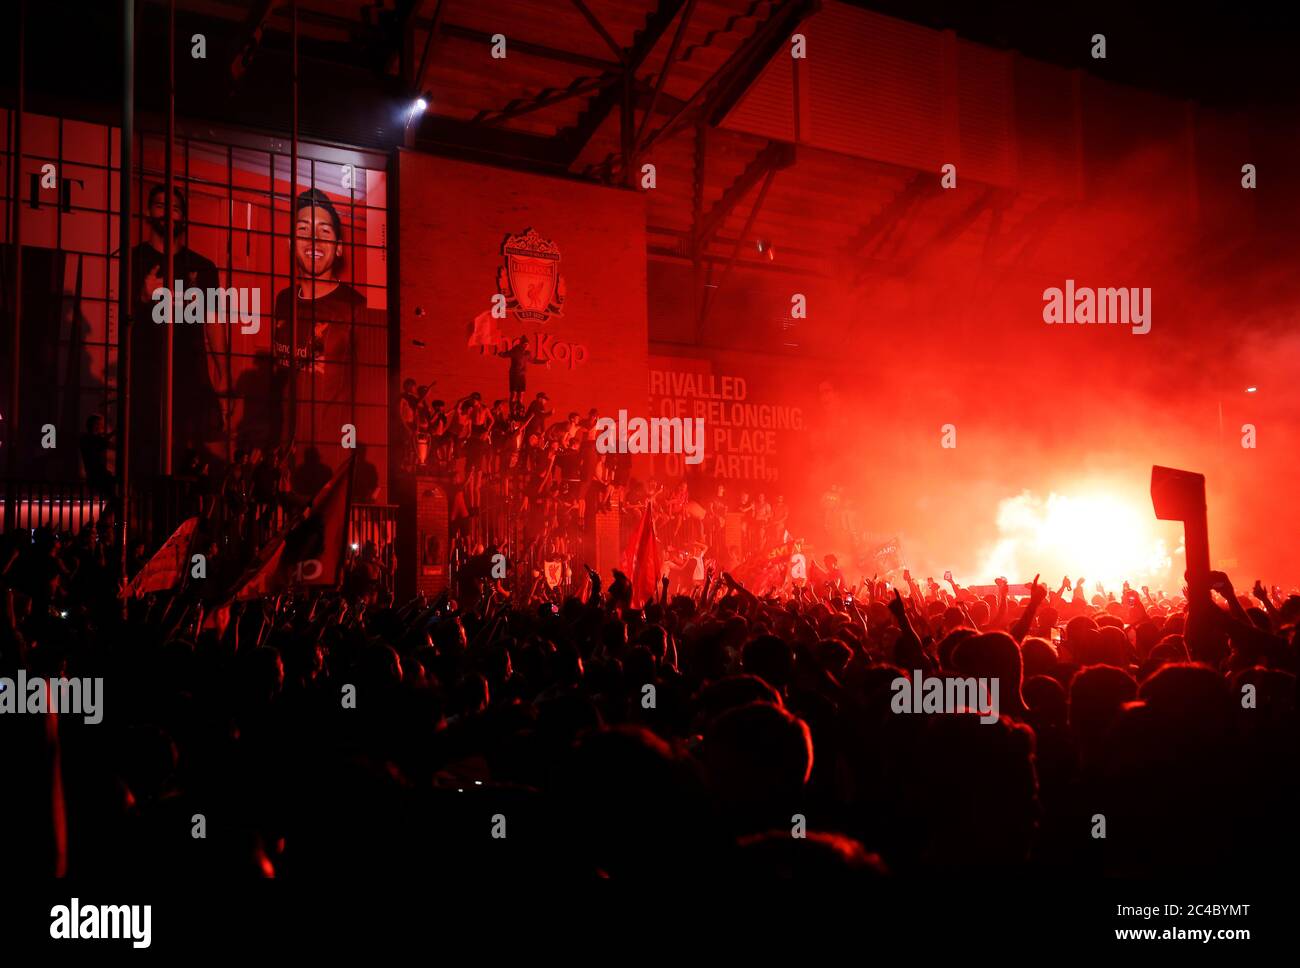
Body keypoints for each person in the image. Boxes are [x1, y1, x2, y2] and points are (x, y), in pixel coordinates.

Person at [130, 184, 224, 477]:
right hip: (146, 377)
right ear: (148, 212)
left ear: (183, 217)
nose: (167, 214)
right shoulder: (132, 261)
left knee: (190, 460)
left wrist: (223, 371)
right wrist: (144, 298)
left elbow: (213, 320)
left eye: (175, 208)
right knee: (147, 457)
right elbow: (118, 319)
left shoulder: (202, 267)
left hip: (190, 378)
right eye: (160, 206)